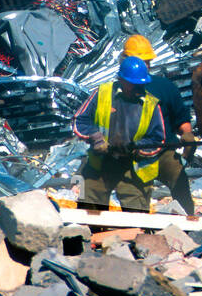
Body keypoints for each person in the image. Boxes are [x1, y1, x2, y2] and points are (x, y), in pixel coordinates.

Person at [72, 56, 174, 212]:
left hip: (132, 167)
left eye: (141, 84)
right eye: (134, 84)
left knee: (136, 216)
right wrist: (96, 138)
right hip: (101, 163)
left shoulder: (151, 104)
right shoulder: (103, 93)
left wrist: (138, 148)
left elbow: (157, 139)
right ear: (121, 79)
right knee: (90, 212)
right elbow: (79, 121)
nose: (138, 88)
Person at [122, 34, 197, 214]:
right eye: (141, 61)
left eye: (147, 62)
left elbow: (181, 118)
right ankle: (137, 231)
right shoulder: (118, 89)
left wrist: (187, 135)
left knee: (181, 189)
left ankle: (189, 225)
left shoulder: (165, 87)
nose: (144, 66)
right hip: (134, 156)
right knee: (133, 205)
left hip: (165, 152)